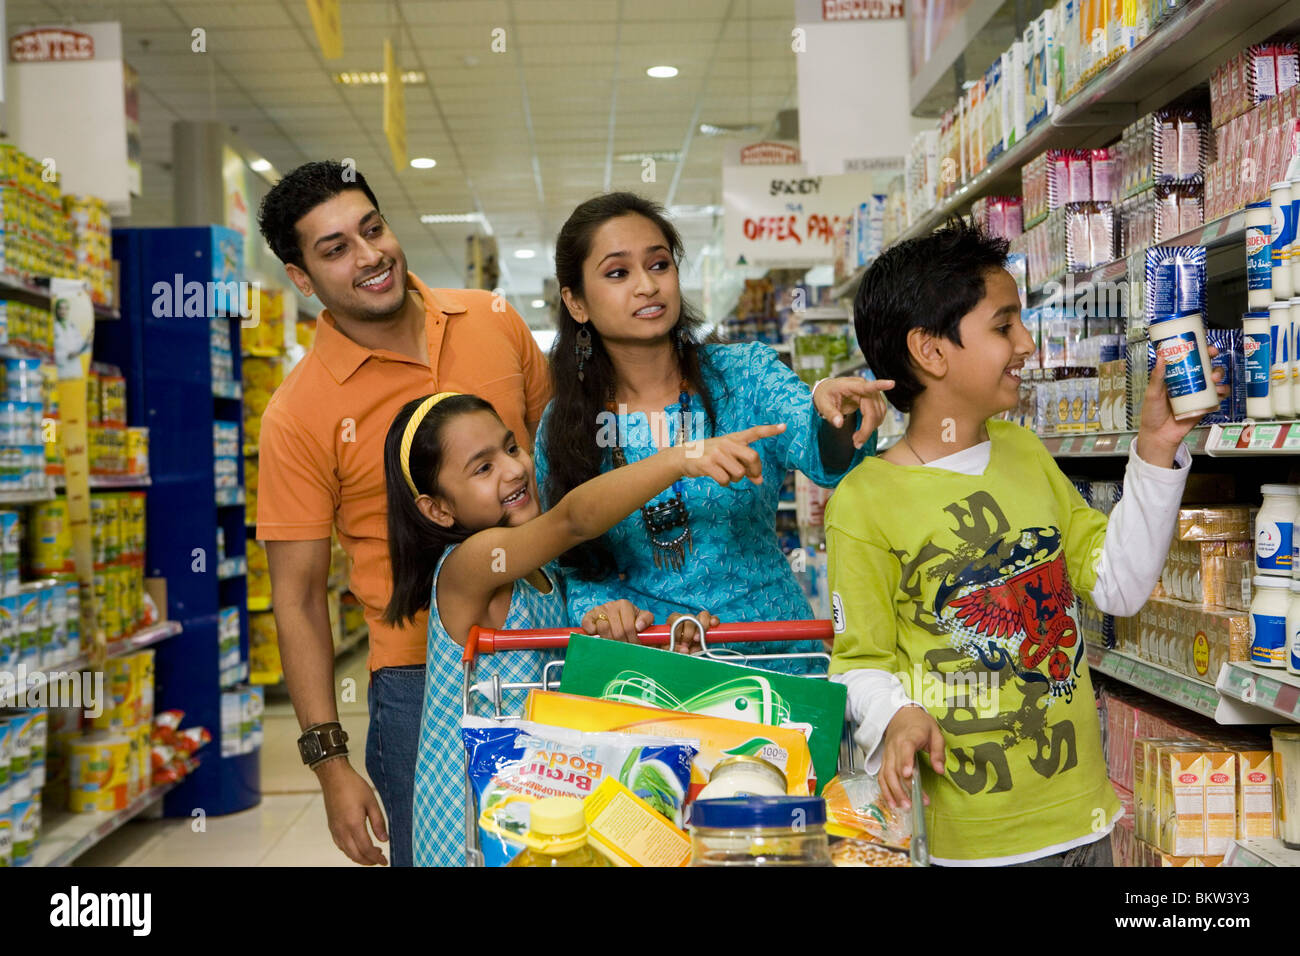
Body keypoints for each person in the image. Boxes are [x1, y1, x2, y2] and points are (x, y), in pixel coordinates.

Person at [826, 220, 1228, 866]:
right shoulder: (863, 503)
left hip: (1083, 820)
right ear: (931, 352)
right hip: (975, 842)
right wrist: (896, 716)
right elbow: (858, 662)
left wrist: (1155, 450)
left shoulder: (1022, 450)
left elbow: (1118, 585)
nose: (1027, 344)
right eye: (1004, 325)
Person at [253, 161, 551, 867]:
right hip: (420, 683)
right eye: (335, 249)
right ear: (302, 278)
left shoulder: (493, 321)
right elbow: (296, 600)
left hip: (550, 644)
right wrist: (330, 765)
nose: (369, 256)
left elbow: (560, 472)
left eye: (372, 229)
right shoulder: (297, 414)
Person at [382, 390, 784, 865]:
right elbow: (572, 520)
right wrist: (679, 460)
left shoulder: (544, 571)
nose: (513, 469)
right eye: (482, 468)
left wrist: (632, 631)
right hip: (469, 817)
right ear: (437, 510)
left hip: (532, 798)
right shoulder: (468, 568)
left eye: (511, 448)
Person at [536, 192, 892, 671]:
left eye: (659, 264)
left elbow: (824, 458)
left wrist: (836, 412)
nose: (646, 286)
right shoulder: (566, 427)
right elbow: (573, 560)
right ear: (576, 302)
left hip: (775, 661)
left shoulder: (744, 374)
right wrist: (606, 615)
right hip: (649, 674)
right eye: (618, 273)